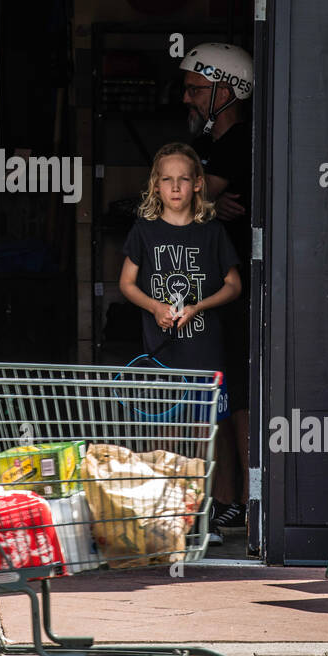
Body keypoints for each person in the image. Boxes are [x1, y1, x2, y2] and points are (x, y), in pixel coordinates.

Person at [119, 142, 241, 545]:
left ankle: (202, 515)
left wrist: (197, 306)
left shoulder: (212, 232)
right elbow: (126, 284)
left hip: (204, 352)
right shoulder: (144, 231)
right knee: (164, 434)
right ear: (155, 186)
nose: (175, 187)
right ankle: (168, 514)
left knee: (202, 435)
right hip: (162, 353)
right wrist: (156, 307)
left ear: (198, 185)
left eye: (184, 180)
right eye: (167, 180)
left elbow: (234, 285)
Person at [180, 43, 253, 534]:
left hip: (238, 285)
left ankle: (250, 502)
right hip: (212, 285)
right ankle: (227, 497)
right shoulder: (208, 149)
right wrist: (210, 203)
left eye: (197, 89)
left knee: (241, 396)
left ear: (227, 91)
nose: (187, 98)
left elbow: (181, 195)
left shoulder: (239, 140)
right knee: (221, 396)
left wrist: (205, 200)